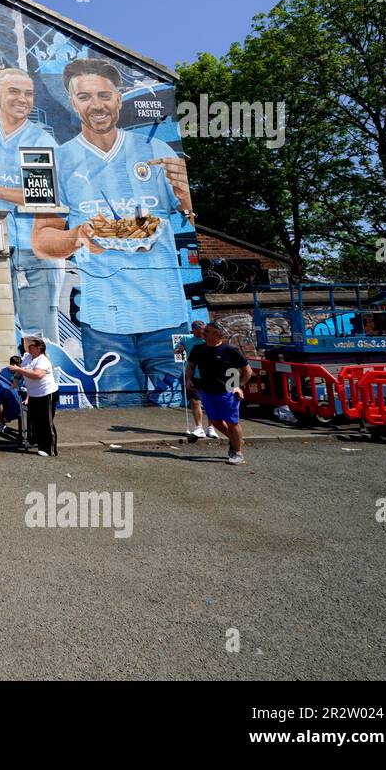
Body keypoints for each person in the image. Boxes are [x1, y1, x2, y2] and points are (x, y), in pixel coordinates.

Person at [31, 57, 194, 407]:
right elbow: (41, 240)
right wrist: (78, 235)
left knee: (181, 406)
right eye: (85, 97)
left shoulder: (159, 151)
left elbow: (191, 222)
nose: (97, 105)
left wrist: (185, 197)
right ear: (72, 103)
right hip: (104, 324)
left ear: (118, 98)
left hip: (170, 320)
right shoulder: (50, 162)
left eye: (104, 95)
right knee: (120, 412)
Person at [0, 68, 62, 338]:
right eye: (14, 91)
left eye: (28, 93)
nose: (23, 99)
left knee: (38, 333)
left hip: (32, 249)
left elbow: (41, 196)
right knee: (0, 330)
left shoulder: (39, 140)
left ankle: (44, 378)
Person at [186, 321, 253, 465]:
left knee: (232, 422)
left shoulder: (229, 350)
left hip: (228, 392)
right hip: (208, 392)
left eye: (207, 331)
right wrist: (189, 379)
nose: (203, 333)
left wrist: (239, 386)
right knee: (215, 421)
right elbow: (191, 366)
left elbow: (247, 371)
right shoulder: (198, 349)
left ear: (216, 334)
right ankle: (235, 441)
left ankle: (238, 453)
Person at [13, 337, 59, 457]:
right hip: (33, 394)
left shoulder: (42, 360)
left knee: (46, 422)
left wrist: (18, 369)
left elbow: (37, 375)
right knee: (35, 420)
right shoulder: (27, 357)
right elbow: (21, 370)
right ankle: (38, 441)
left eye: (31, 346)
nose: (28, 348)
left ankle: (50, 449)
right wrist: (16, 380)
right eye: (28, 347)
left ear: (38, 348)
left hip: (46, 394)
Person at [180, 320, 220, 440]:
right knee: (195, 401)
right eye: (198, 331)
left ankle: (211, 428)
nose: (201, 332)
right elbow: (179, 351)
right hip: (194, 376)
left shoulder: (209, 341)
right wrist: (179, 350)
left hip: (210, 376)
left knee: (211, 402)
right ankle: (199, 428)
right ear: (193, 330)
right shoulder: (186, 339)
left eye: (203, 330)